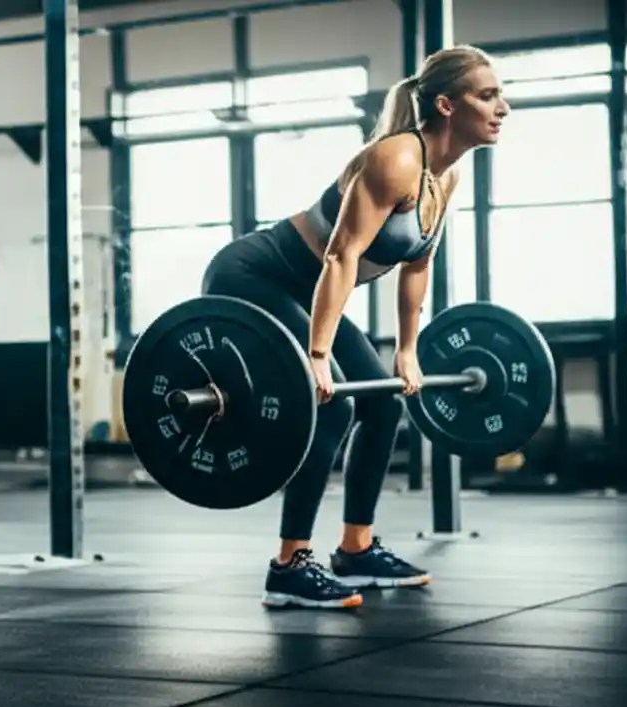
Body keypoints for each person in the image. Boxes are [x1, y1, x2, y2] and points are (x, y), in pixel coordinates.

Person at [200, 46, 510, 609]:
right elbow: (341, 257)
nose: (503, 108)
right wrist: (317, 357)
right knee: (335, 403)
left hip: (306, 289)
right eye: (488, 96)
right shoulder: (394, 159)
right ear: (445, 104)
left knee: (385, 402)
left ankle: (355, 550)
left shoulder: (446, 177)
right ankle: (289, 565)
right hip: (254, 275)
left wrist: (408, 350)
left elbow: (417, 264)